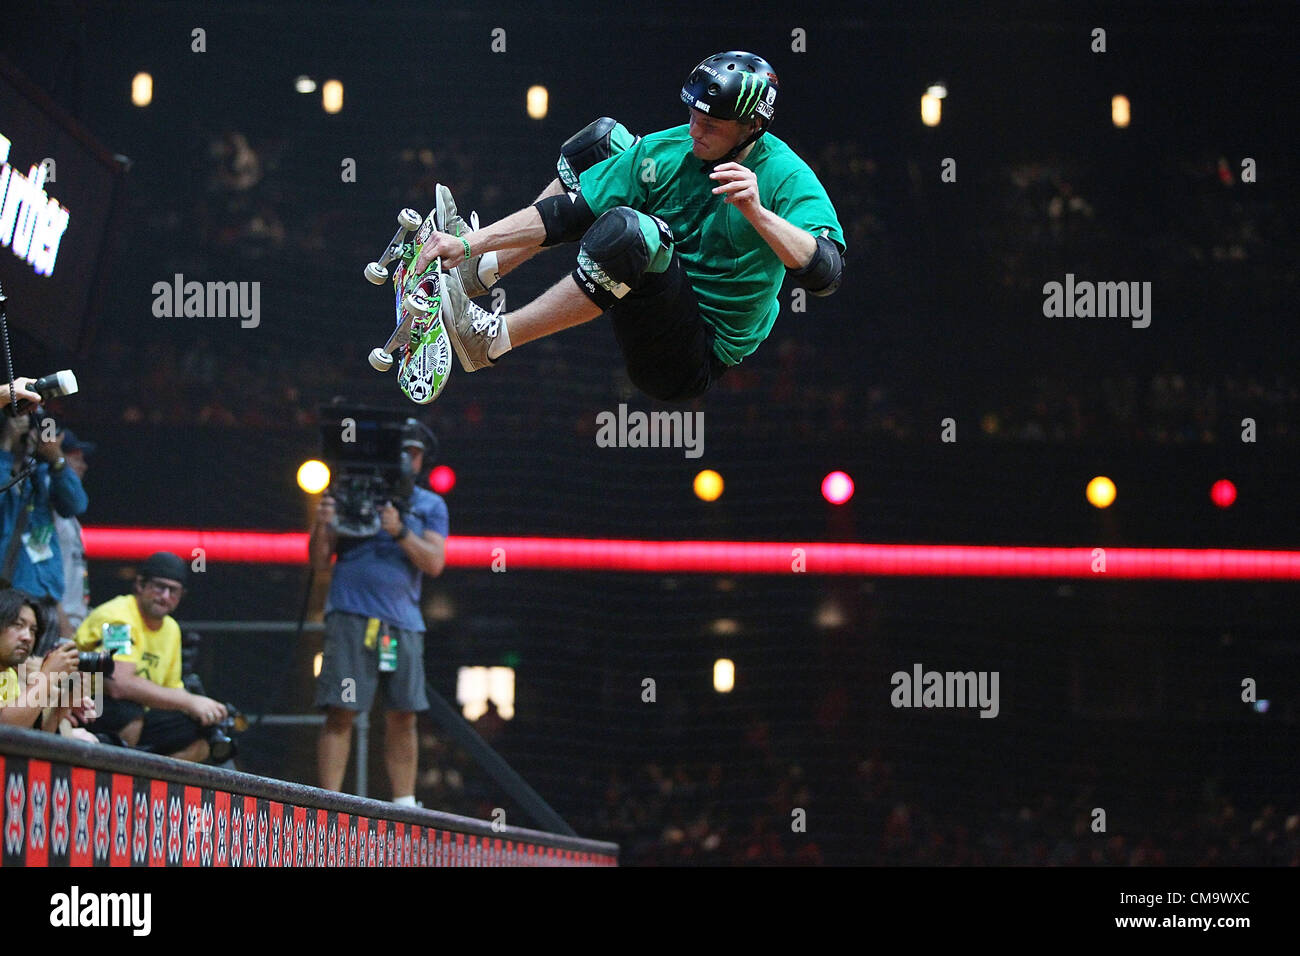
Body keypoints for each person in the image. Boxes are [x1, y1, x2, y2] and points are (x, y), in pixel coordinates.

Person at [412, 51, 845, 403]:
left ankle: (490, 340)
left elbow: (825, 273)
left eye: (711, 124)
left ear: (753, 126)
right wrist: (469, 243)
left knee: (633, 232)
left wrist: (757, 211)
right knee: (601, 145)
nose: (695, 129)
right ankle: (482, 269)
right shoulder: (675, 146)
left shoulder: (785, 176)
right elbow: (572, 213)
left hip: (691, 353)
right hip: (657, 281)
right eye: (693, 113)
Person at [312, 421, 447, 805]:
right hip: (350, 616)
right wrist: (323, 525)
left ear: (423, 459)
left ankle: (405, 802)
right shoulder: (350, 492)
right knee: (341, 709)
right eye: (402, 450)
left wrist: (400, 531)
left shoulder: (430, 505)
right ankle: (329, 802)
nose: (408, 459)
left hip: (401, 623)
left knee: (404, 713)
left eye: (416, 453)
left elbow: (434, 563)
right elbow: (320, 562)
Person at [74, 551, 228, 761]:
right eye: (159, 587)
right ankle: (118, 777)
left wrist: (201, 708)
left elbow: (171, 690)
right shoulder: (118, 617)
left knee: (201, 735)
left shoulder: (171, 628)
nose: (165, 596)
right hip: (87, 704)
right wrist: (189, 701)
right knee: (129, 713)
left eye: (173, 591)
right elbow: (118, 684)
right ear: (140, 585)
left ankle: (151, 781)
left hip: (140, 712)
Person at [0, 410, 88, 652]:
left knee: (42, 679)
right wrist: (6, 445)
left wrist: (56, 458)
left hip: (44, 602)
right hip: (7, 598)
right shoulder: (5, 468)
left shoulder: (40, 475)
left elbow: (75, 504)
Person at [0, 588, 97, 741]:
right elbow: (6, 731)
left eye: (33, 630)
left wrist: (62, 705)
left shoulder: (10, 674)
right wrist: (48, 675)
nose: (27, 637)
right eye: (18, 625)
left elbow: (38, 741)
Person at [55, 428, 94, 639]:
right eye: (76, 459)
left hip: (72, 625)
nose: (84, 466)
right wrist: (63, 626)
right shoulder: (46, 513)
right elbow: (44, 575)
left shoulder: (69, 517)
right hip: (55, 627)